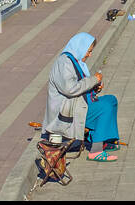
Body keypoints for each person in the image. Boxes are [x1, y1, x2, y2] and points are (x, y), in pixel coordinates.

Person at [40, 32, 121, 171]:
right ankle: (96, 150)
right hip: (66, 111)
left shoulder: (75, 62)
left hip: (75, 104)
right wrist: (93, 80)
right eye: (88, 51)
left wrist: (94, 88)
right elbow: (70, 89)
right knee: (105, 106)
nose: (89, 55)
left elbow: (79, 88)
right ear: (80, 47)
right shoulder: (64, 63)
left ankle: (102, 139)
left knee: (110, 100)